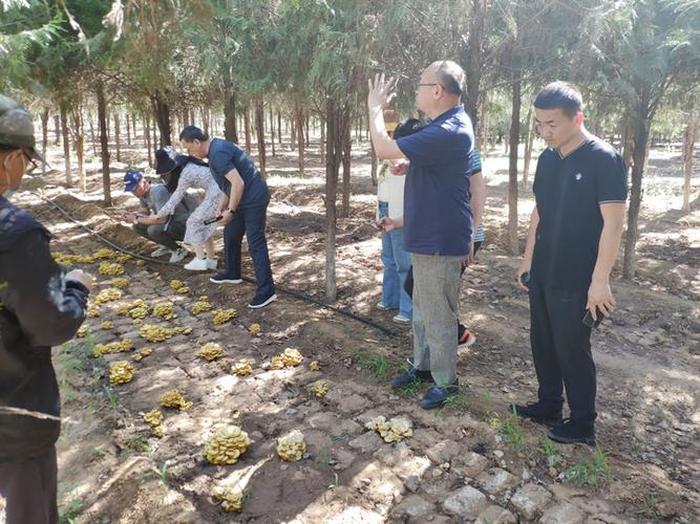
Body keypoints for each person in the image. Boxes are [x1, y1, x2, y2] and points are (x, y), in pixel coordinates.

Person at [513, 81, 627, 445]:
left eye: (552, 124)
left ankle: (582, 423)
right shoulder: (548, 159)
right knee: (542, 342)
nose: (545, 132)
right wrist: (528, 258)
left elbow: (613, 225)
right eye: (539, 125)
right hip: (545, 268)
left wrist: (600, 280)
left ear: (577, 118)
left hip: (578, 276)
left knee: (572, 348)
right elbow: (539, 213)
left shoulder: (603, 159)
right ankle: (548, 405)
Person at [0, 94, 92, 523]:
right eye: (26, 160)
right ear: (12, 157)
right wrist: (75, 288)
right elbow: (51, 323)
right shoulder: (14, 235)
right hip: (12, 420)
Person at [368, 61, 475, 409]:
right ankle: (423, 366)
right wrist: (412, 164)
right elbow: (434, 166)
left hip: (440, 237)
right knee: (422, 309)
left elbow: (383, 149)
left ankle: (447, 382)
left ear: (438, 91)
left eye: (420, 85)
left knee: (439, 312)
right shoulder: (445, 126)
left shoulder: (451, 128)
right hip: (427, 232)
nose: (416, 91)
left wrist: (374, 109)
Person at [397, 147, 487, 349]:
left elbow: (478, 191)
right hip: (437, 237)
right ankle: (435, 349)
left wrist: (470, 232)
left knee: (432, 293)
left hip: (459, 238)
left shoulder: (463, 145)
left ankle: (454, 340)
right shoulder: (435, 146)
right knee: (419, 289)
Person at [179, 126, 276, 309]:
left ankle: (267, 291)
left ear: (197, 142)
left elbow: (238, 183)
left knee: (256, 243)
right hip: (241, 198)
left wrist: (231, 211)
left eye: (188, 147)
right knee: (231, 235)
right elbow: (228, 184)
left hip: (253, 198)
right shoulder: (216, 150)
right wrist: (220, 207)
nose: (189, 152)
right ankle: (232, 273)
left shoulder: (217, 154)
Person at [137, 147, 226, 271]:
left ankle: (201, 260)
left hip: (221, 190)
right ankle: (211, 260)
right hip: (218, 191)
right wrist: (159, 215)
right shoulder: (181, 170)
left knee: (194, 222)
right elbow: (175, 196)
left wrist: (158, 215)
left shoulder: (187, 170)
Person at [375, 111, 413, 325]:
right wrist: (378, 212)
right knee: (388, 259)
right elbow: (382, 186)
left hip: (399, 212)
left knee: (403, 263)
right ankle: (390, 299)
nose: (388, 136)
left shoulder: (406, 154)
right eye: (386, 131)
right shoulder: (383, 155)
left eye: (392, 132)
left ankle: (407, 309)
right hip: (384, 208)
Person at [122, 170, 191, 264]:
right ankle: (166, 245)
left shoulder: (158, 191)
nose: (134, 193)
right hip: (172, 222)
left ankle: (179, 250)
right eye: (131, 191)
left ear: (144, 182)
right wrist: (131, 216)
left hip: (185, 223)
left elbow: (162, 219)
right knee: (138, 226)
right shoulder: (143, 194)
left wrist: (136, 219)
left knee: (153, 230)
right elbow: (143, 212)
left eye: (135, 189)